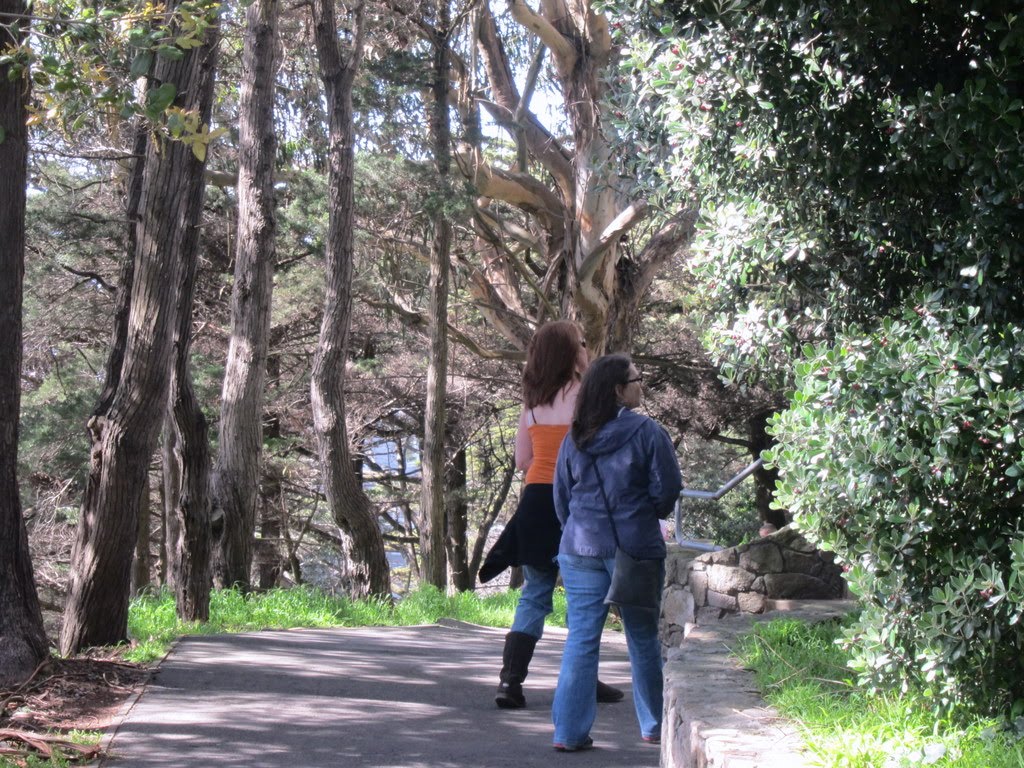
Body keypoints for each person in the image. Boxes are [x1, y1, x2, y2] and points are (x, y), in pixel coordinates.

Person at [478, 320, 623, 710]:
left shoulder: (532, 402)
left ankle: (510, 682)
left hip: (537, 502)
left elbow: (523, 460)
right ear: (570, 353)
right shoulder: (591, 397)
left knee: (535, 593)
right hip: (581, 501)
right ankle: (582, 680)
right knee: (585, 595)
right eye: (582, 342)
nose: (587, 348)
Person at [550, 354, 682, 751]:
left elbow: (561, 497)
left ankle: (568, 733)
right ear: (618, 390)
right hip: (635, 547)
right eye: (636, 379)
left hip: (579, 548)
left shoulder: (574, 436)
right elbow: (668, 487)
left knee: (581, 639)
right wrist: (647, 514)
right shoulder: (648, 432)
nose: (642, 384)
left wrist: (576, 531)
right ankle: (654, 727)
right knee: (642, 638)